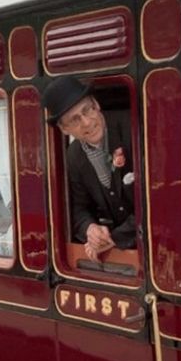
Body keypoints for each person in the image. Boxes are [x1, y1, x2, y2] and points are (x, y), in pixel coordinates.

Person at [42, 77, 135, 261]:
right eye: (74, 120)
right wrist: (90, 229)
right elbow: (79, 208)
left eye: (87, 110)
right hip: (125, 258)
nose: (86, 122)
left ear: (96, 104)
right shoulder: (73, 155)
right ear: (64, 129)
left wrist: (115, 238)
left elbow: (160, 199)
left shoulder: (134, 128)